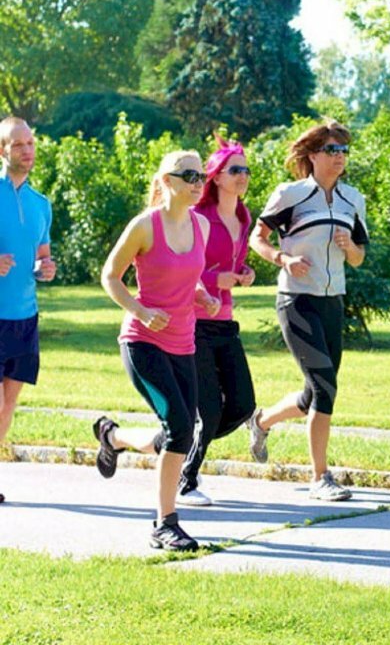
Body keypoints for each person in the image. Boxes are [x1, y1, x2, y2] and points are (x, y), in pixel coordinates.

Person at [94, 150, 220, 551]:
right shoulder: (145, 226)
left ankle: (112, 437)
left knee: (178, 429)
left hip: (184, 341)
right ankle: (165, 523)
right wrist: (141, 311)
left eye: (201, 174)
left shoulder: (200, 225)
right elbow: (110, 275)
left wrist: (202, 297)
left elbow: (187, 277)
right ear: (167, 181)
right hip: (142, 341)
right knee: (181, 428)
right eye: (188, 175)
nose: (198, 182)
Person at [249, 120, 368, 501]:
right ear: (313, 155)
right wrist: (283, 258)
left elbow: (360, 259)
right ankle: (321, 478)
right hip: (296, 300)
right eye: (332, 150)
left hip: (333, 301)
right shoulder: (291, 194)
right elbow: (257, 238)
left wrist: (350, 246)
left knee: (311, 394)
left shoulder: (353, 200)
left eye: (344, 151)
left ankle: (262, 420)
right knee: (325, 388)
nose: (340, 157)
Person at [176, 135, 264, 507]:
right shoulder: (199, 218)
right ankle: (186, 479)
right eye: (235, 170)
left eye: (246, 169)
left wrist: (243, 273)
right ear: (215, 176)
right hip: (193, 322)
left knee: (243, 404)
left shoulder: (243, 216)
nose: (243, 176)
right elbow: (186, 268)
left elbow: (234, 262)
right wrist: (215, 281)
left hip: (225, 320)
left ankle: (176, 440)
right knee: (208, 409)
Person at [0, 117, 56, 505]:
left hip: (24, 317)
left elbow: (42, 255)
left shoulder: (42, 205)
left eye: (31, 143)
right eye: (18, 144)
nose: (27, 150)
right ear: (2, 150)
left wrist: (46, 269)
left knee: (8, 402)